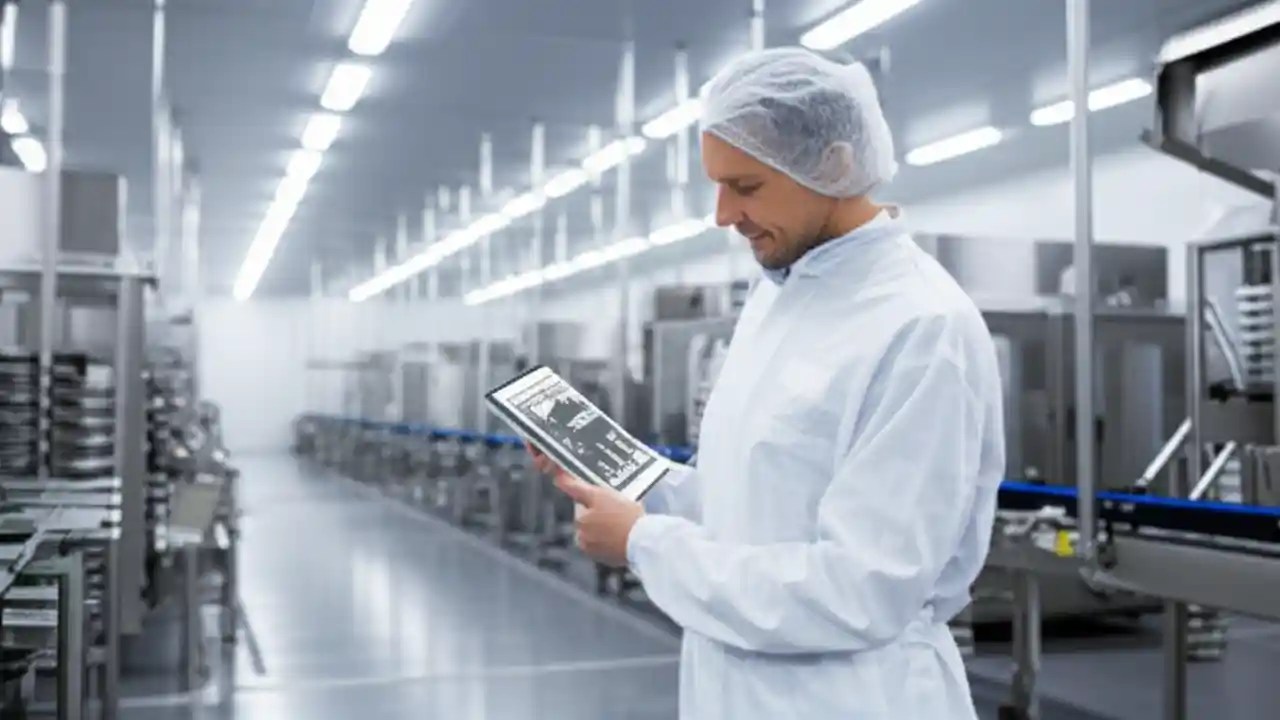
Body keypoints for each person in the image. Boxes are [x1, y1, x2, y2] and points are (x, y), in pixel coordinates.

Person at [531, 47, 1005, 719]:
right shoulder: (777, 297)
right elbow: (748, 500)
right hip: (736, 690)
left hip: (853, 699)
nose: (723, 214)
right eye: (716, 186)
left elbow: (860, 589)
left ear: (835, 164)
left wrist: (643, 542)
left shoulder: (922, 327)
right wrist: (630, 481)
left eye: (746, 187)